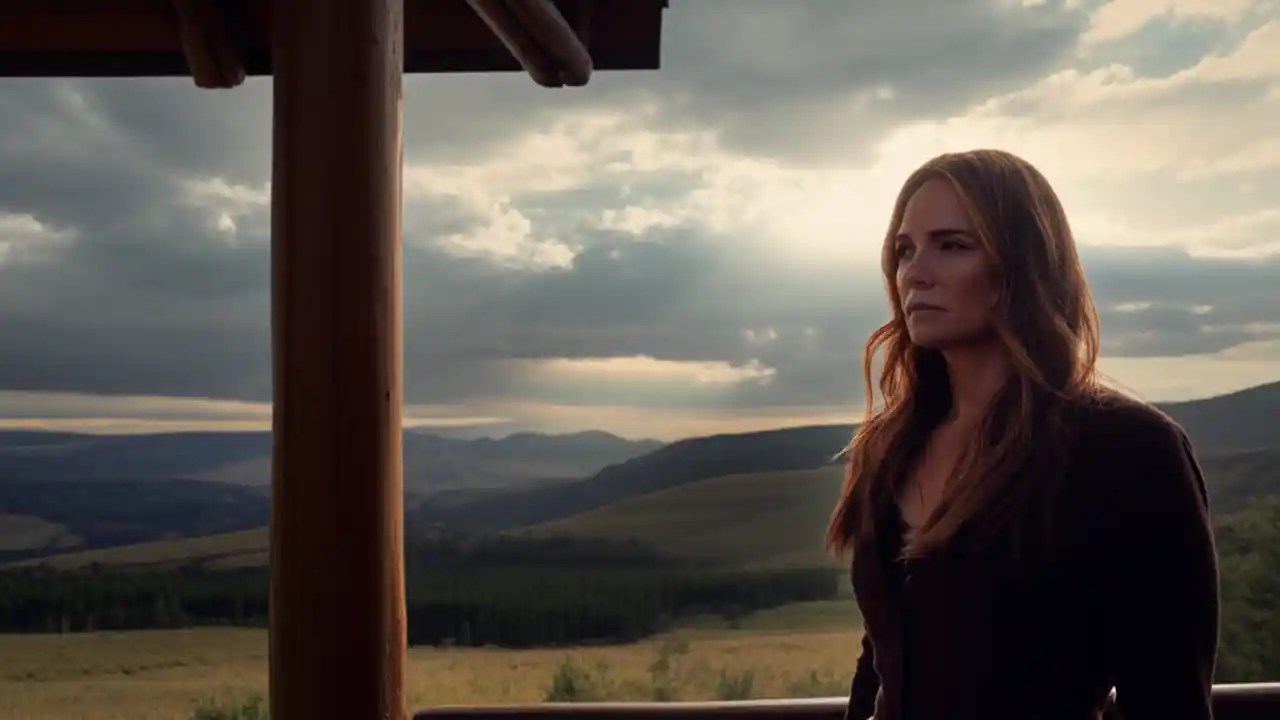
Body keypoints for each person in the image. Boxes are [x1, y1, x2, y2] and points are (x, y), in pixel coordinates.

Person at [825, 149, 1219, 720]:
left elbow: (1169, 697)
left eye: (953, 245)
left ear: (1024, 263)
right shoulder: (889, 446)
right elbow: (885, 656)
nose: (915, 272)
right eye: (904, 250)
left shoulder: (1125, 449)